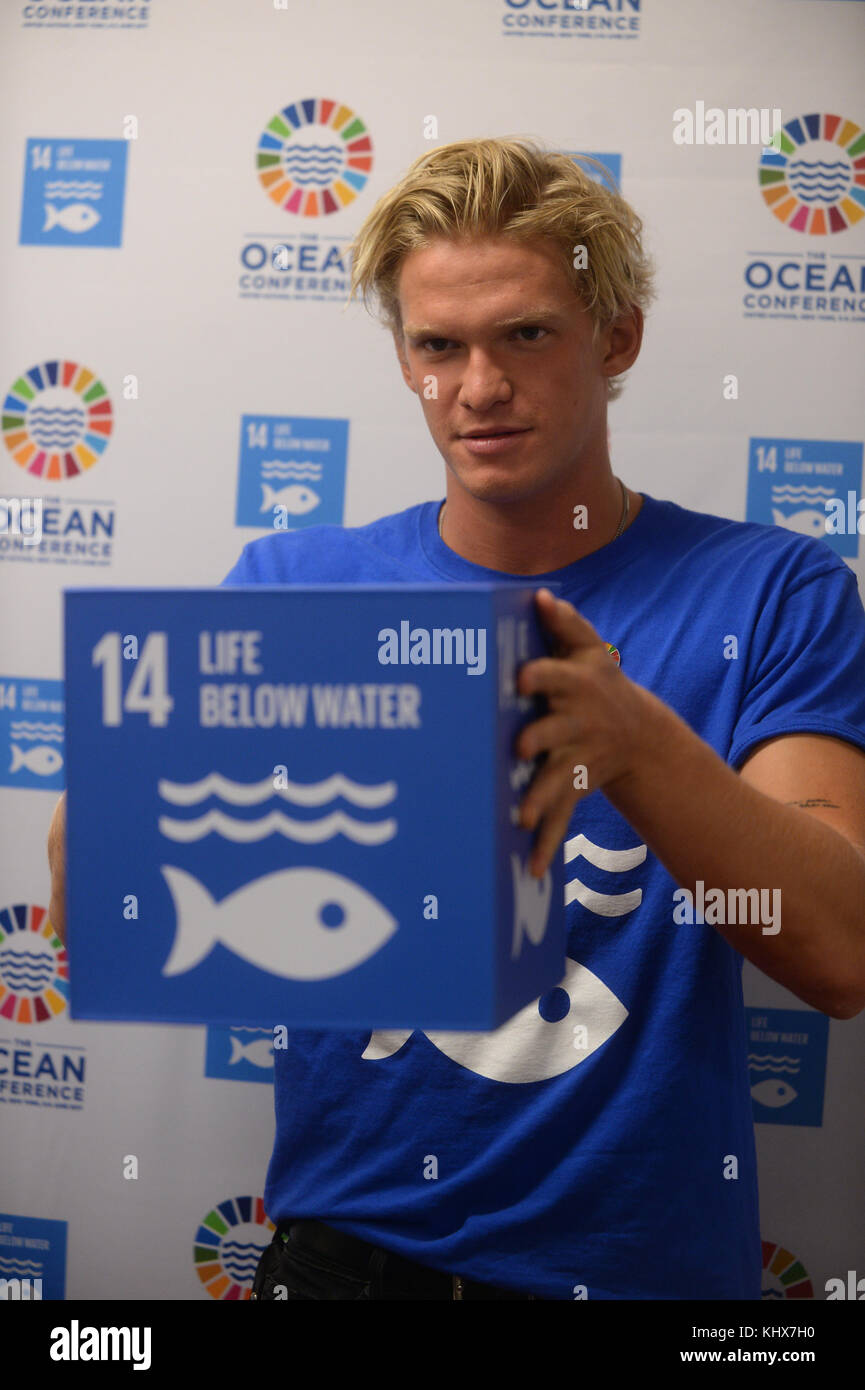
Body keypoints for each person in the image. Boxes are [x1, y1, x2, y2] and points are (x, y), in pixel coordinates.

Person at [48, 139, 865, 1302]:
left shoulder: (769, 589)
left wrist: (631, 741)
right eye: (438, 345)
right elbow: (107, 920)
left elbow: (840, 949)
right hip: (344, 1266)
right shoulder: (292, 588)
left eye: (526, 334)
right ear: (404, 356)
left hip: (645, 1276)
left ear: (615, 336)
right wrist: (122, 782)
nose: (477, 388)